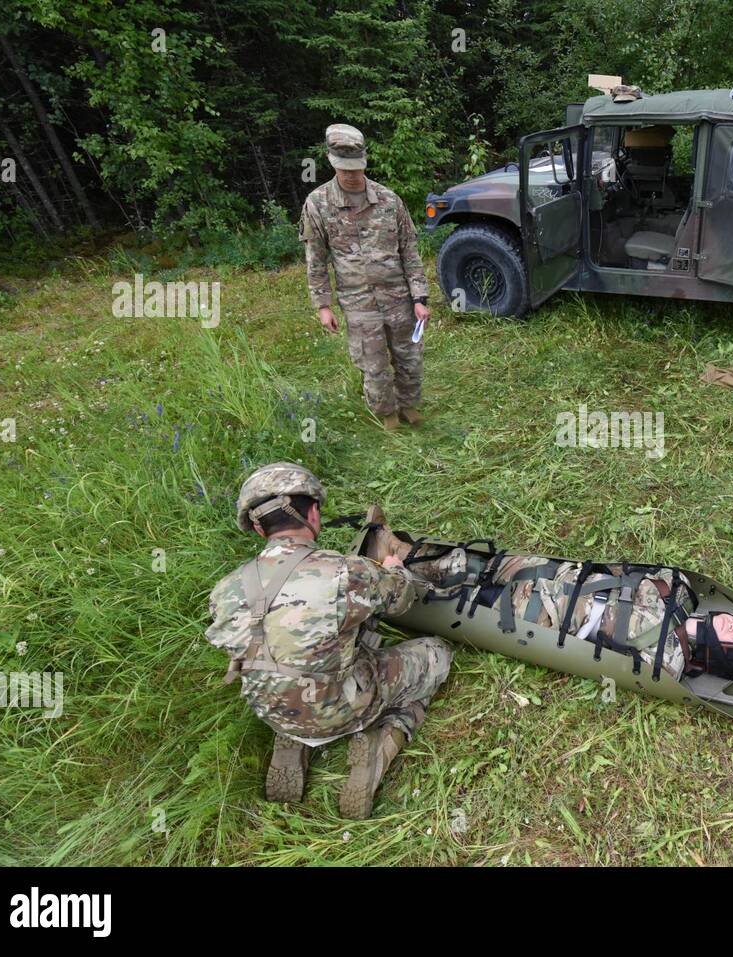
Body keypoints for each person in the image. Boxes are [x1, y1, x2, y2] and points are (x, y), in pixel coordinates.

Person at [206, 463, 453, 817]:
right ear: (314, 513)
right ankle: (379, 745)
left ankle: (293, 738)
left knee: (323, 646)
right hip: (341, 707)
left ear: (259, 528)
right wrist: (394, 567)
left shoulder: (226, 589)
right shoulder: (346, 572)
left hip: (272, 708)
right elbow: (403, 600)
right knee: (436, 655)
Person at [371, 530, 733, 682]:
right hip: (565, 578)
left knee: (467, 599)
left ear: (721, 653)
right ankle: (403, 553)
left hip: (549, 616)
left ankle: (388, 581)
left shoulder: (669, 662)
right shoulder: (682, 596)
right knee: (477, 564)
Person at [299, 124, 431, 429]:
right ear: (330, 161)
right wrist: (323, 305)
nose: (350, 175)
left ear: (365, 161)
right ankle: (387, 414)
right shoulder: (318, 204)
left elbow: (409, 251)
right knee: (374, 364)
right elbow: (316, 259)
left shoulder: (388, 200)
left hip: (398, 297)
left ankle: (409, 405)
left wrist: (420, 297)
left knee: (409, 356)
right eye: (344, 168)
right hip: (358, 301)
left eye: (356, 168)